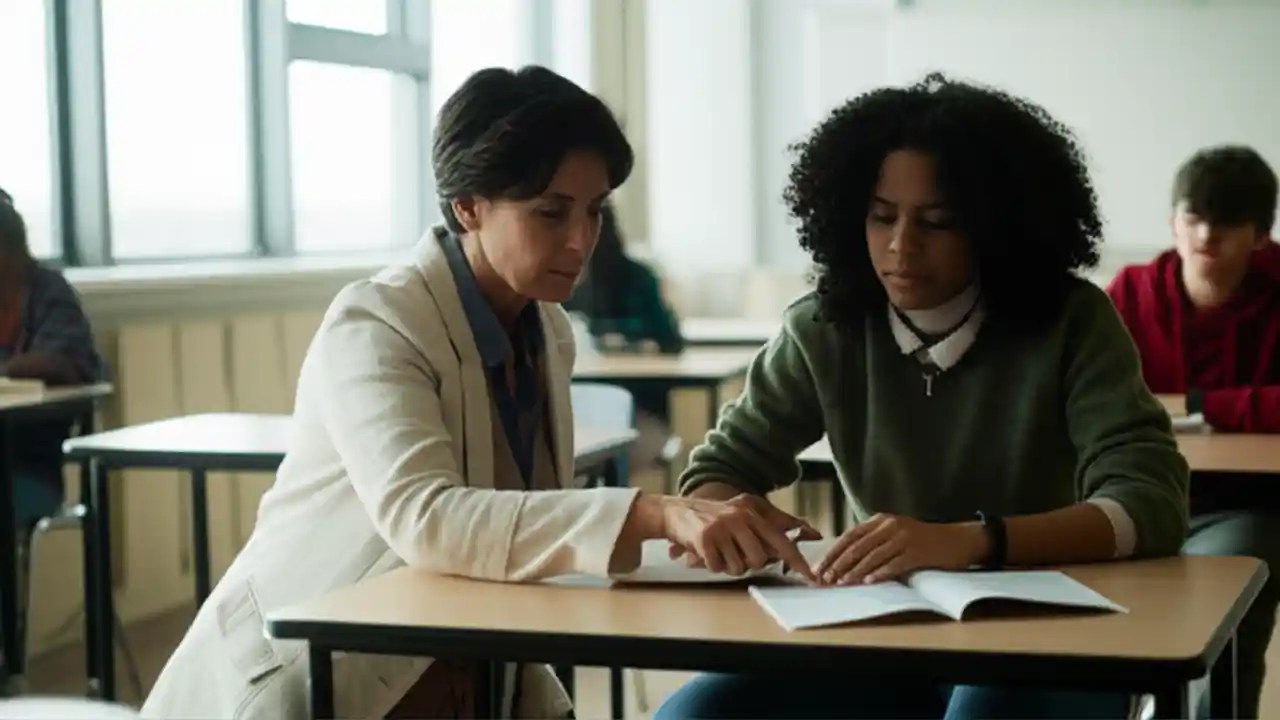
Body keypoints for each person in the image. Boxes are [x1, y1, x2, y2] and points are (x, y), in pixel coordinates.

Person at [140, 66, 818, 720]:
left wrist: (710, 532)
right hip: (321, 671)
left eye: (594, 212)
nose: (581, 241)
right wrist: (657, 513)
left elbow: (524, 528)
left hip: (451, 653)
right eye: (551, 213)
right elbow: (428, 518)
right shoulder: (376, 322)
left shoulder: (546, 328)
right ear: (467, 206)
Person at [656, 74, 1189, 719]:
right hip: (882, 628)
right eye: (881, 217)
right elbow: (717, 471)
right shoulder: (823, 327)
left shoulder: (1072, 323)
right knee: (693, 715)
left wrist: (971, 541)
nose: (901, 245)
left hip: (1049, 627)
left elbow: (1150, 505)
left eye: (938, 222)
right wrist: (725, 517)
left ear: (995, 227)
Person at [1107, 144, 1280, 719]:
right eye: (1194, 216)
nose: (1206, 235)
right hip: (1130, 497)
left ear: (1260, 236)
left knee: (1228, 617)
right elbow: (1085, 392)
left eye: (1226, 224)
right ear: (1172, 221)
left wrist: (1202, 405)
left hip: (1242, 503)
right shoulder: (1131, 292)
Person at [0, 187, 103, 528]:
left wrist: (7, 370)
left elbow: (58, 361)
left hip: (27, 469)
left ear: (9, 250)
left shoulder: (49, 294)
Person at [564, 203, 684, 470]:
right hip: (575, 413)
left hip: (640, 411)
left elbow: (670, 339)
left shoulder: (637, 278)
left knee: (606, 454)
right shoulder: (559, 279)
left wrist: (612, 336)